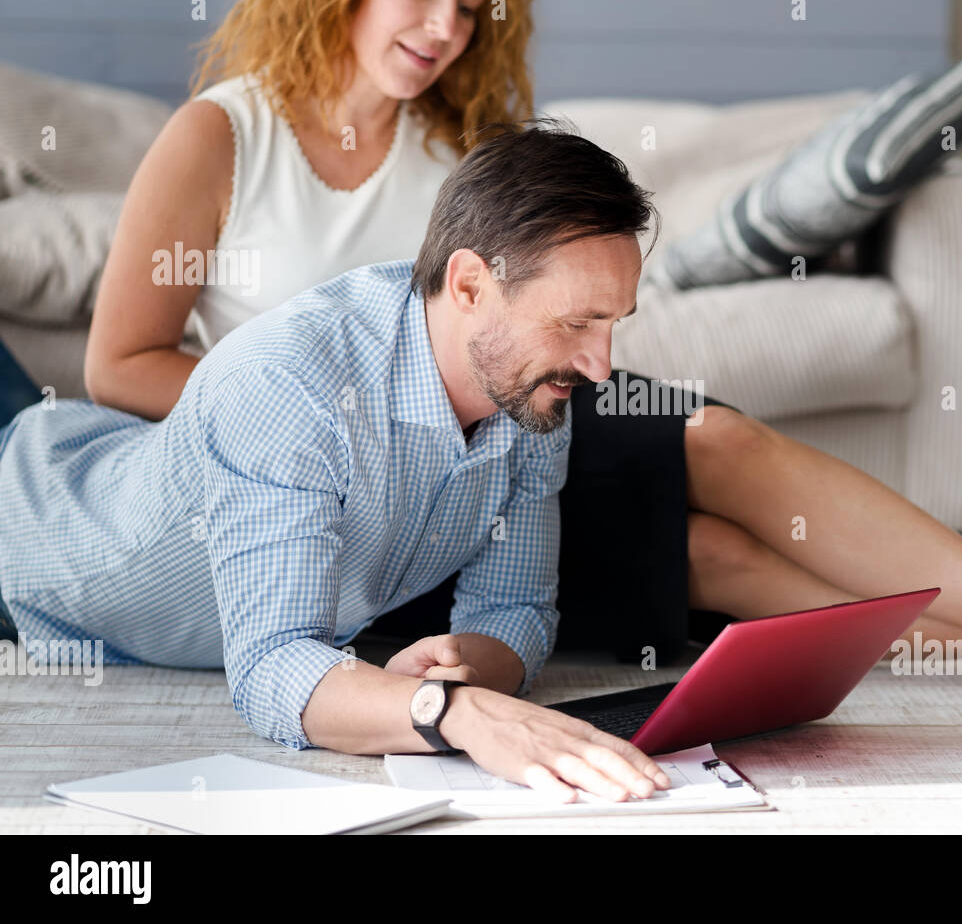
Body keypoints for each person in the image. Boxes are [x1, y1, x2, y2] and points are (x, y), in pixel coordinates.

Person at [72, 0, 962, 719]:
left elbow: (554, 289)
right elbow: (117, 365)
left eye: (470, 4)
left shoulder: (463, 140)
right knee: (701, 558)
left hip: (512, 405)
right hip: (352, 456)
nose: (440, 27)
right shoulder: (225, 135)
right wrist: (338, 429)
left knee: (715, 435)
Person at [0, 122, 676, 802]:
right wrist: (454, 716)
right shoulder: (289, 384)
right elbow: (270, 668)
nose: (600, 365)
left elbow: (515, 607)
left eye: (613, 323)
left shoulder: (533, 397)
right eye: (575, 323)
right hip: (25, 533)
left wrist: (460, 673)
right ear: (470, 284)